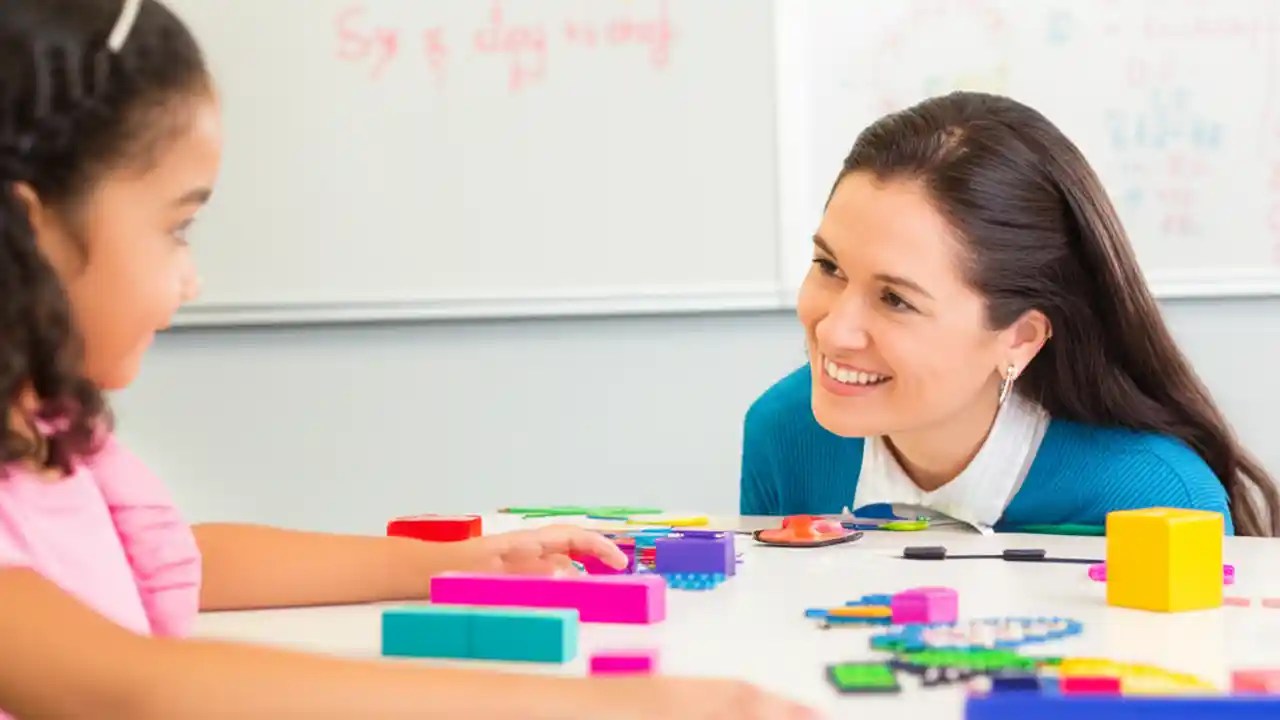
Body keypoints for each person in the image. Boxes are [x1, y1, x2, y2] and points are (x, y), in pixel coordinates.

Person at [0, 2, 818, 718]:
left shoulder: (52, 429)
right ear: (35, 229)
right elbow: (127, 689)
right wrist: (597, 707)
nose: (193, 274)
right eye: (177, 227)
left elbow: (170, 557)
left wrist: (449, 562)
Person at [740, 90, 1279, 537]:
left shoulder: (1157, 499)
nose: (834, 329)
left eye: (896, 299)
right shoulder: (785, 434)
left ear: (1020, 337)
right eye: (829, 266)